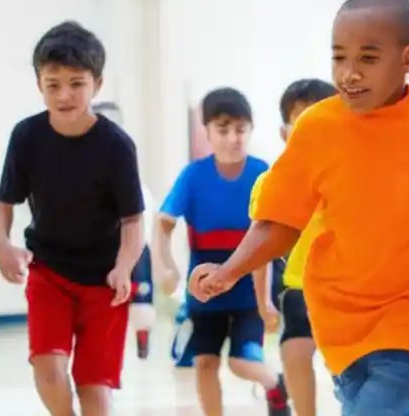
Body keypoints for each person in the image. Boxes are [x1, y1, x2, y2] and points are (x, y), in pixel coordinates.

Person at [189, 0, 409, 415]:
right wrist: (229, 271)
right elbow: (279, 220)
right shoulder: (317, 129)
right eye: (340, 57)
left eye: (368, 58)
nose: (350, 73)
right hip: (341, 324)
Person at [0, 22, 145, 416]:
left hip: (105, 282)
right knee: (48, 365)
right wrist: (2, 245)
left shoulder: (116, 146)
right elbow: (5, 203)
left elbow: (133, 221)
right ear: (38, 84)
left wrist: (124, 268)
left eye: (76, 83)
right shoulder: (26, 137)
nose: (64, 95)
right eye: (52, 83)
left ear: (97, 83)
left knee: (95, 389)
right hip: (50, 273)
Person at [155, 87, 289, 416]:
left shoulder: (262, 173)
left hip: (249, 287)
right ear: (208, 132)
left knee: (243, 362)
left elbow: (266, 241)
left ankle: (275, 384)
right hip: (206, 289)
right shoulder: (193, 176)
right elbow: (162, 223)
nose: (233, 138)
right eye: (223, 129)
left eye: (241, 129)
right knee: (205, 364)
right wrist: (167, 266)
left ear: (251, 130)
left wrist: (264, 302)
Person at [247, 79, 338, 416]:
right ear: (285, 133)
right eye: (302, 119)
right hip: (299, 286)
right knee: (295, 351)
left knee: (346, 367)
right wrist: (262, 302)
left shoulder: (356, 176)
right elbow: (261, 246)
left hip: (347, 289)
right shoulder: (271, 184)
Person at [92, 101, 157, 361]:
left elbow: (144, 217)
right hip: (99, 253)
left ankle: (142, 339)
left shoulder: (129, 169)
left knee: (141, 309)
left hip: (136, 248)